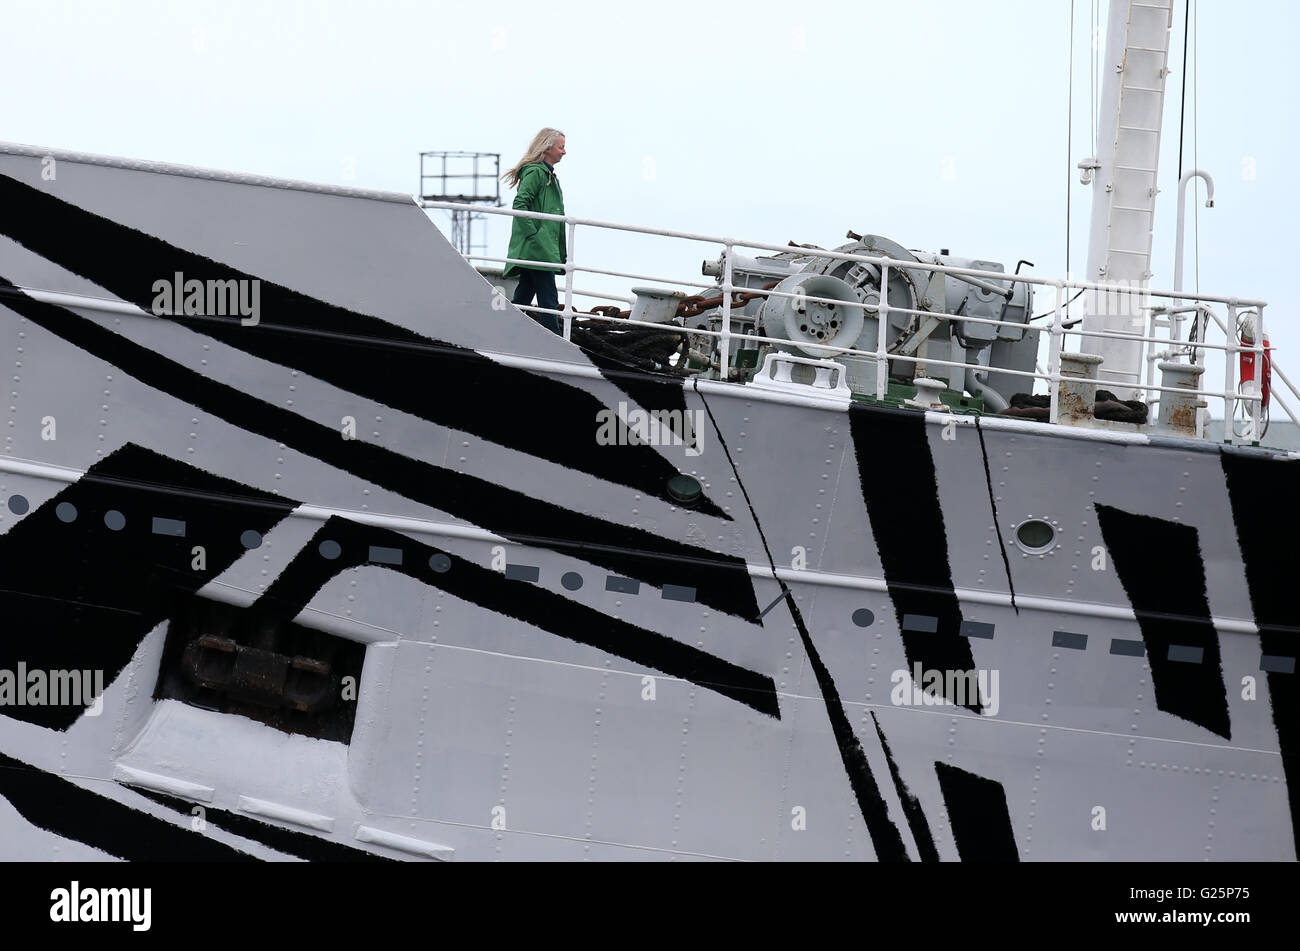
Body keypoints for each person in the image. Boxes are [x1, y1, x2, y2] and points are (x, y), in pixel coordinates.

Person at [502, 128, 567, 335]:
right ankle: (555, 342)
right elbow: (520, 204)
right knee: (548, 296)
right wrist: (535, 235)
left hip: (539, 247)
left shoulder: (546, 174)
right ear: (548, 148)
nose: (564, 152)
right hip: (538, 247)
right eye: (561, 147)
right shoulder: (536, 173)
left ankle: (507, 333)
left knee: (524, 295)